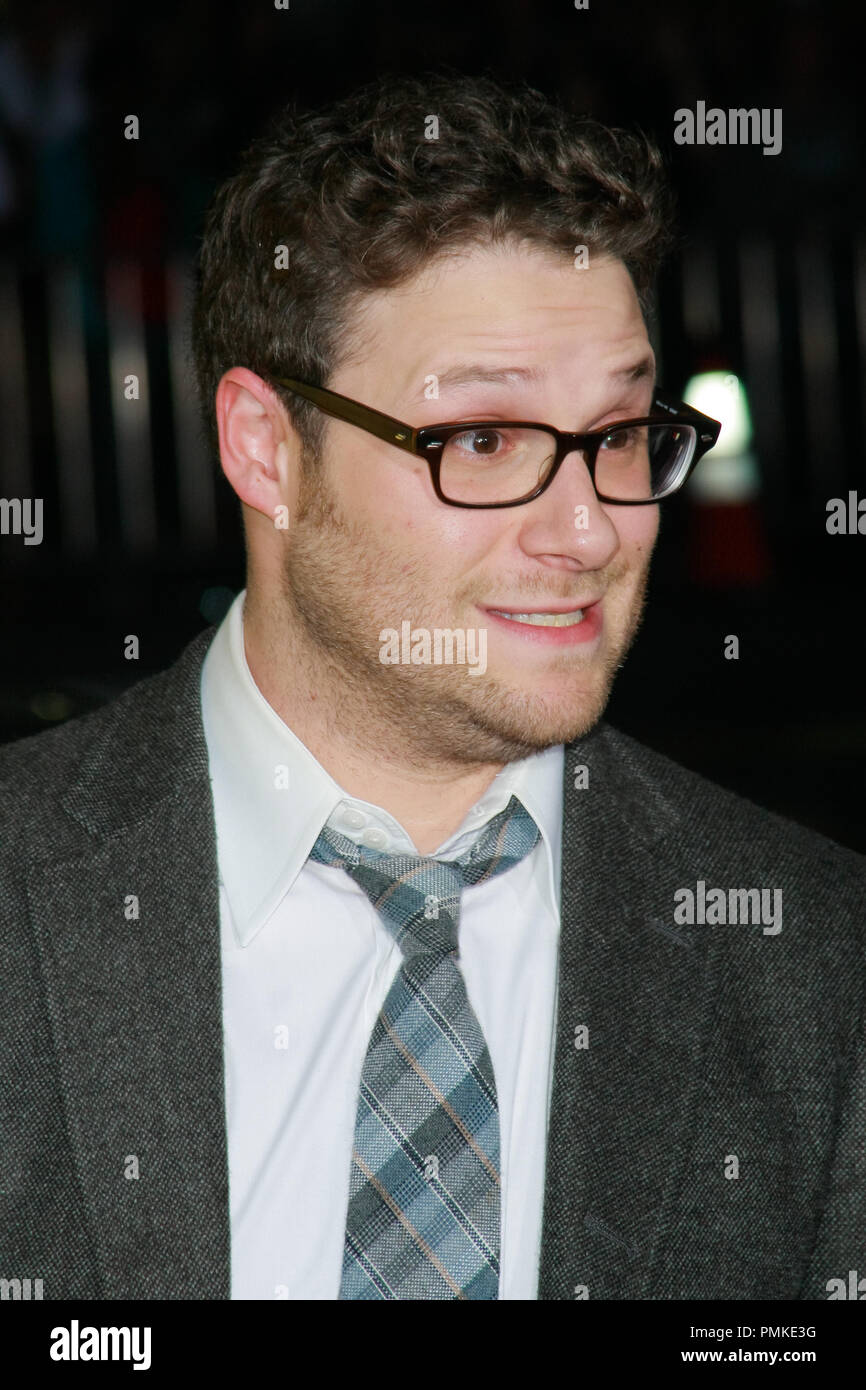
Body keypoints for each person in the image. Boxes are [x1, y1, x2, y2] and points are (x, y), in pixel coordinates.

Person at [1, 70, 863, 1303]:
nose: (585, 531)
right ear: (264, 448)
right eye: (483, 442)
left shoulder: (817, 965)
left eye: (617, 436)